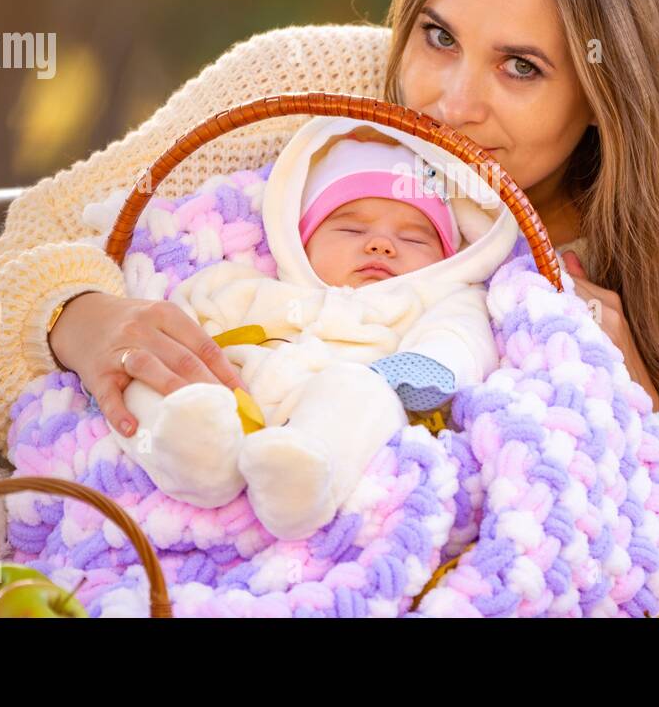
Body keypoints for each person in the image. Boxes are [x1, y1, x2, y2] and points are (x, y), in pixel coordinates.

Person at [0, 0, 659, 522]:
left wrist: (635, 425)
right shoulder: (304, 88)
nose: (449, 103)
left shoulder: (630, 253)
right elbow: (19, 245)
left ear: (607, 97)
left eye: (521, 67)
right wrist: (82, 316)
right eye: (438, 37)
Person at [103, 119, 516, 540]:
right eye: (352, 229)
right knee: (151, 372)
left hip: (341, 412)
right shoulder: (249, 288)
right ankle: (189, 458)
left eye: (414, 238)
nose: (381, 245)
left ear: (445, 258)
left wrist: (425, 367)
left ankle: (303, 484)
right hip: (228, 408)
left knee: (365, 395)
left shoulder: (432, 299)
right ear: (302, 240)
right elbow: (182, 321)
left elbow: (462, 335)